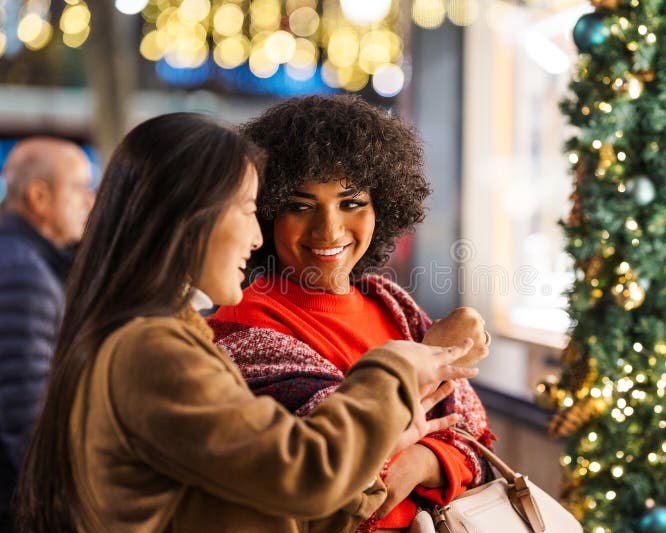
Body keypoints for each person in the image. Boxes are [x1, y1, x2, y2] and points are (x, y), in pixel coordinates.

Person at [13, 113, 479, 533]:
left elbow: (268, 496)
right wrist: (394, 365)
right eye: (249, 209)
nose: (257, 236)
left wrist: (403, 457)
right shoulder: (153, 350)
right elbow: (306, 471)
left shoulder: (164, 336)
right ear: (188, 218)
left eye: (351, 202)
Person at [210, 95, 494, 532]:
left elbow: (477, 440)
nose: (329, 229)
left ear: (382, 204)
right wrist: (431, 358)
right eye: (301, 206)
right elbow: (336, 468)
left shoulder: (393, 305)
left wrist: (423, 461)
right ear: (266, 214)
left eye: (351, 202)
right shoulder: (241, 328)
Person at [0, 138, 93, 531]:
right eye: (79, 188)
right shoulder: (24, 272)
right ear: (39, 197)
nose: (89, 202)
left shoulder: (23, 257)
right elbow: (21, 414)